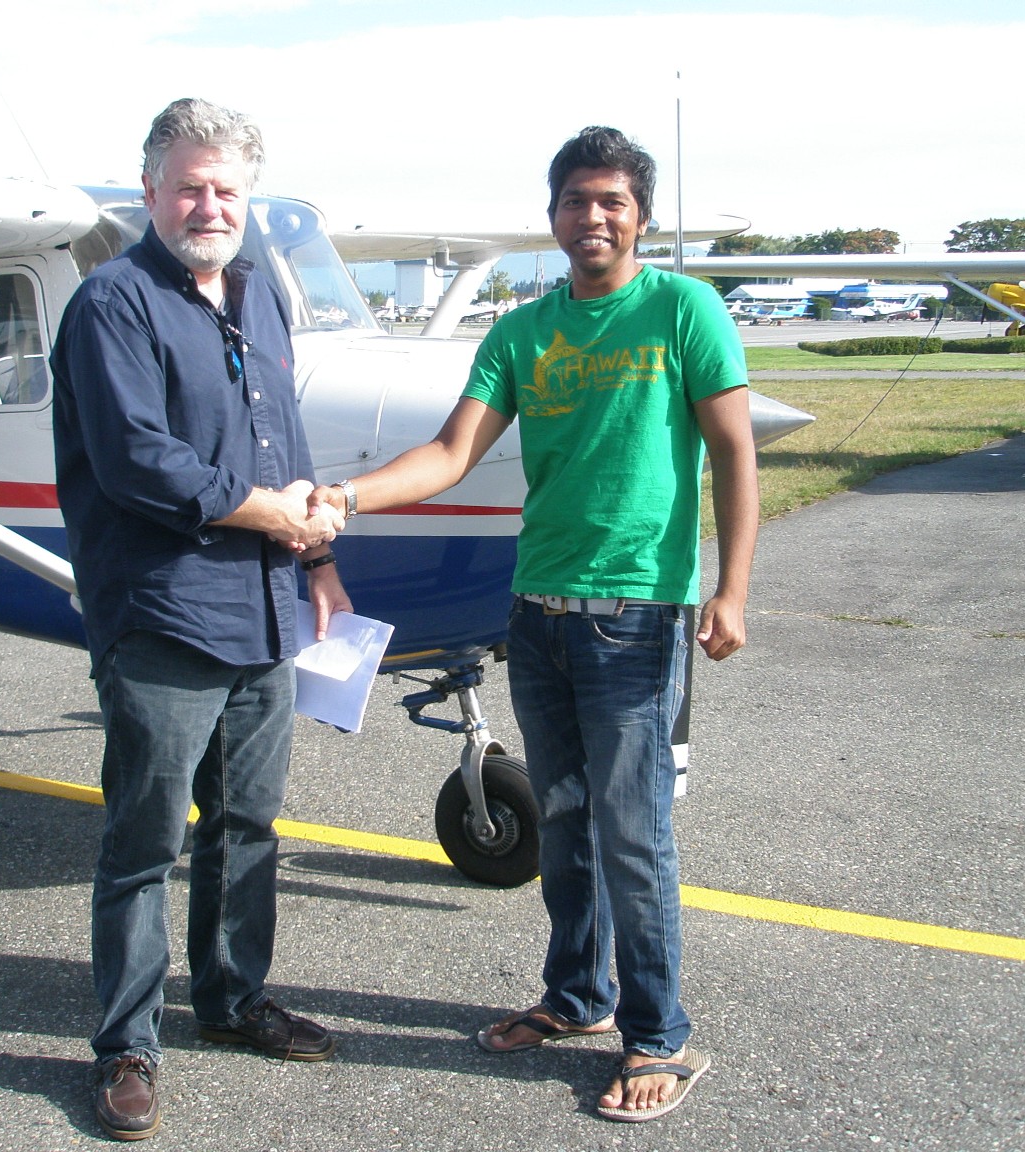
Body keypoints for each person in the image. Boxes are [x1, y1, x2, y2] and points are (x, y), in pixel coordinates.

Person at [311, 125, 758, 1123]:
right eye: (574, 201)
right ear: (552, 215)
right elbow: (450, 452)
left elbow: (733, 453)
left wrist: (728, 591)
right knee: (563, 822)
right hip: (540, 615)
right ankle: (578, 997)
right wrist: (348, 496)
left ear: (639, 214)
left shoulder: (683, 310)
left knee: (633, 834)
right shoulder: (522, 331)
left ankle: (659, 1036)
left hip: (638, 618)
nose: (591, 218)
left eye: (611, 201)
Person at [52, 97, 350, 1142]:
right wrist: (268, 512)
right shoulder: (112, 305)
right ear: (149, 191)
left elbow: (283, 437)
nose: (208, 205)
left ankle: (230, 997)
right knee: (144, 841)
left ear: (247, 196)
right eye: (188, 186)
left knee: (249, 826)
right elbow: (138, 460)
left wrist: (317, 554)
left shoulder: (260, 295)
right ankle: (128, 1044)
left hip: (267, 610)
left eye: (227, 189)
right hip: (167, 612)